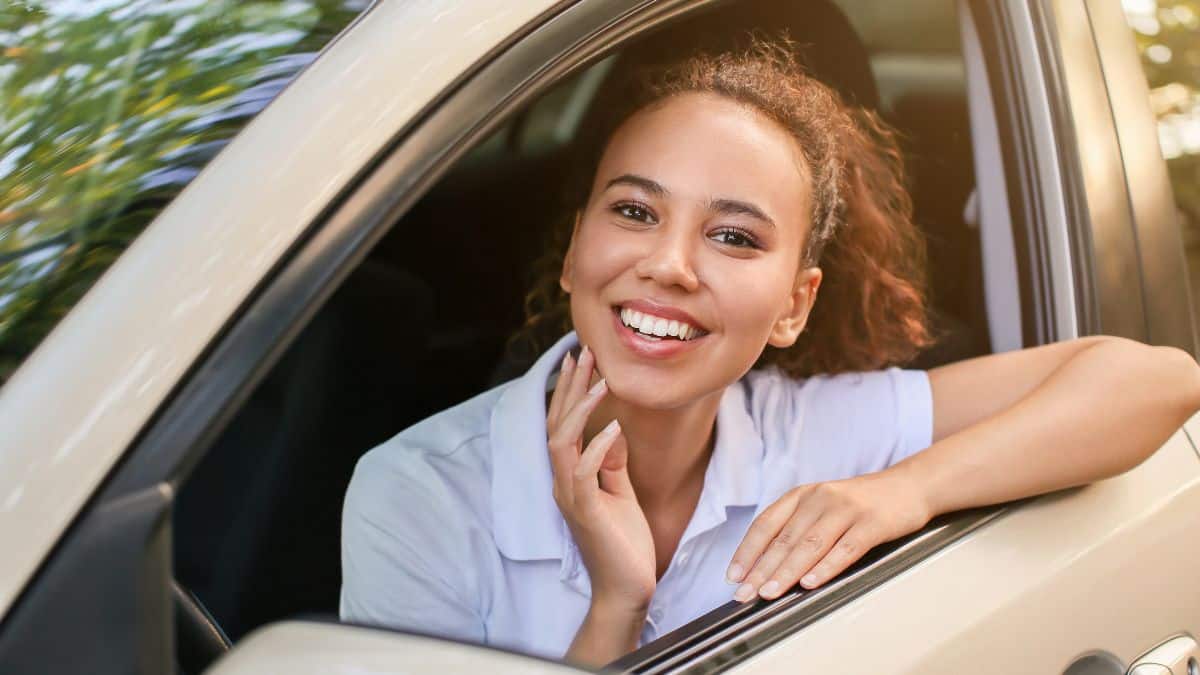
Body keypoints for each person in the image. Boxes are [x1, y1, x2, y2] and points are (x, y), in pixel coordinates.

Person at [339, 38, 1200, 666]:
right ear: (573, 252)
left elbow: (1158, 379)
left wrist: (902, 491)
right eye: (635, 212)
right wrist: (618, 604)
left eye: (734, 236)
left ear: (795, 304)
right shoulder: (416, 495)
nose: (669, 265)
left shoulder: (814, 431)